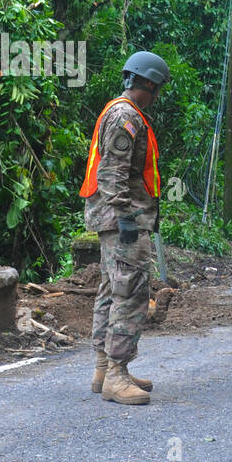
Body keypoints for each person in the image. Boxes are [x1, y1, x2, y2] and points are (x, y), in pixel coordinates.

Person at [79, 50, 170, 406]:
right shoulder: (125, 116)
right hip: (122, 219)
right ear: (145, 82)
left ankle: (104, 369)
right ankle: (116, 374)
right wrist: (127, 218)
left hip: (114, 218)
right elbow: (112, 174)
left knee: (110, 289)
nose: (156, 96)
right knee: (130, 292)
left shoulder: (121, 112)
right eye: (156, 88)